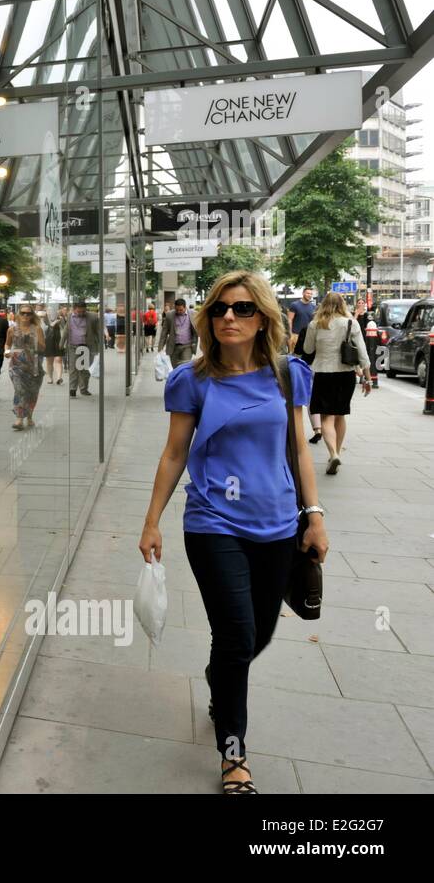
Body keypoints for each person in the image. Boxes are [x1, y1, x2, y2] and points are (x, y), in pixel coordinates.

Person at [139, 270, 326, 795]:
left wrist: (314, 515)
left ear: (263, 316)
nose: (229, 317)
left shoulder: (288, 375)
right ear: (207, 318)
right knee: (237, 634)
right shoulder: (192, 379)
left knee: (257, 635)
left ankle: (222, 679)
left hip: (278, 524)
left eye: (243, 309)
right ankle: (233, 753)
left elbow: (300, 448)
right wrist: (152, 520)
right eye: (220, 309)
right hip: (213, 522)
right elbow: (175, 452)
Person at [303, 292, 370, 476]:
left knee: (326, 417)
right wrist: (368, 377)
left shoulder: (315, 324)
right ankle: (337, 453)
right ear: (342, 304)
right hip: (345, 374)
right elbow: (363, 354)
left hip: (323, 373)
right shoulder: (351, 323)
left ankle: (332, 453)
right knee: (340, 415)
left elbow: (308, 349)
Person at [287, 286, 322, 442]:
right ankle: (319, 428)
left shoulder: (313, 308)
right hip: (297, 336)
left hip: (306, 349)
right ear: (303, 294)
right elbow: (290, 319)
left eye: (311, 293)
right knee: (313, 395)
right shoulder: (295, 305)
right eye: (307, 293)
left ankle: (314, 429)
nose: (309, 295)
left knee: (305, 394)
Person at [5, 304, 46, 429]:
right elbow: (7, 345)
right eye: (23, 313)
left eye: (28, 313)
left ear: (32, 315)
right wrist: (6, 352)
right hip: (16, 364)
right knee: (20, 390)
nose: (25, 315)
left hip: (33, 363)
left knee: (32, 392)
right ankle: (19, 419)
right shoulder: (12, 329)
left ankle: (29, 416)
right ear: (18, 314)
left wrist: (34, 341)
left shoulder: (37, 329)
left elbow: (43, 348)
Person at [64, 299, 102, 397]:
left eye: (83, 311)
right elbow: (66, 330)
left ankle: (84, 389)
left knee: (84, 369)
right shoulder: (69, 316)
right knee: (73, 368)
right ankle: (72, 389)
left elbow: (98, 331)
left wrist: (99, 346)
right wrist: (61, 343)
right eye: (78, 311)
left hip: (87, 346)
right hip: (73, 346)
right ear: (74, 309)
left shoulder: (93, 317)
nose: (81, 313)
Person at [158, 297, 195, 366]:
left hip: (187, 346)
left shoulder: (193, 314)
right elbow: (164, 332)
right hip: (173, 347)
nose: (178, 312)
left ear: (185, 307)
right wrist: (160, 347)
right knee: (175, 369)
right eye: (177, 310)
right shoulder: (169, 315)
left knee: (184, 368)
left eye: (181, 310)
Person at [45, 306, 65, 385]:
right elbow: (49, 327)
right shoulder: (44, 319)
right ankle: (50, 378)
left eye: (53, 311)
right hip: (47, 341)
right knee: (49, 361)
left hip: (58, 340)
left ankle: (59, 378)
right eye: (49, 311)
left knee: (58, 359)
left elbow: (64, 329)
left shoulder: (61, 319)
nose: (51, 312)